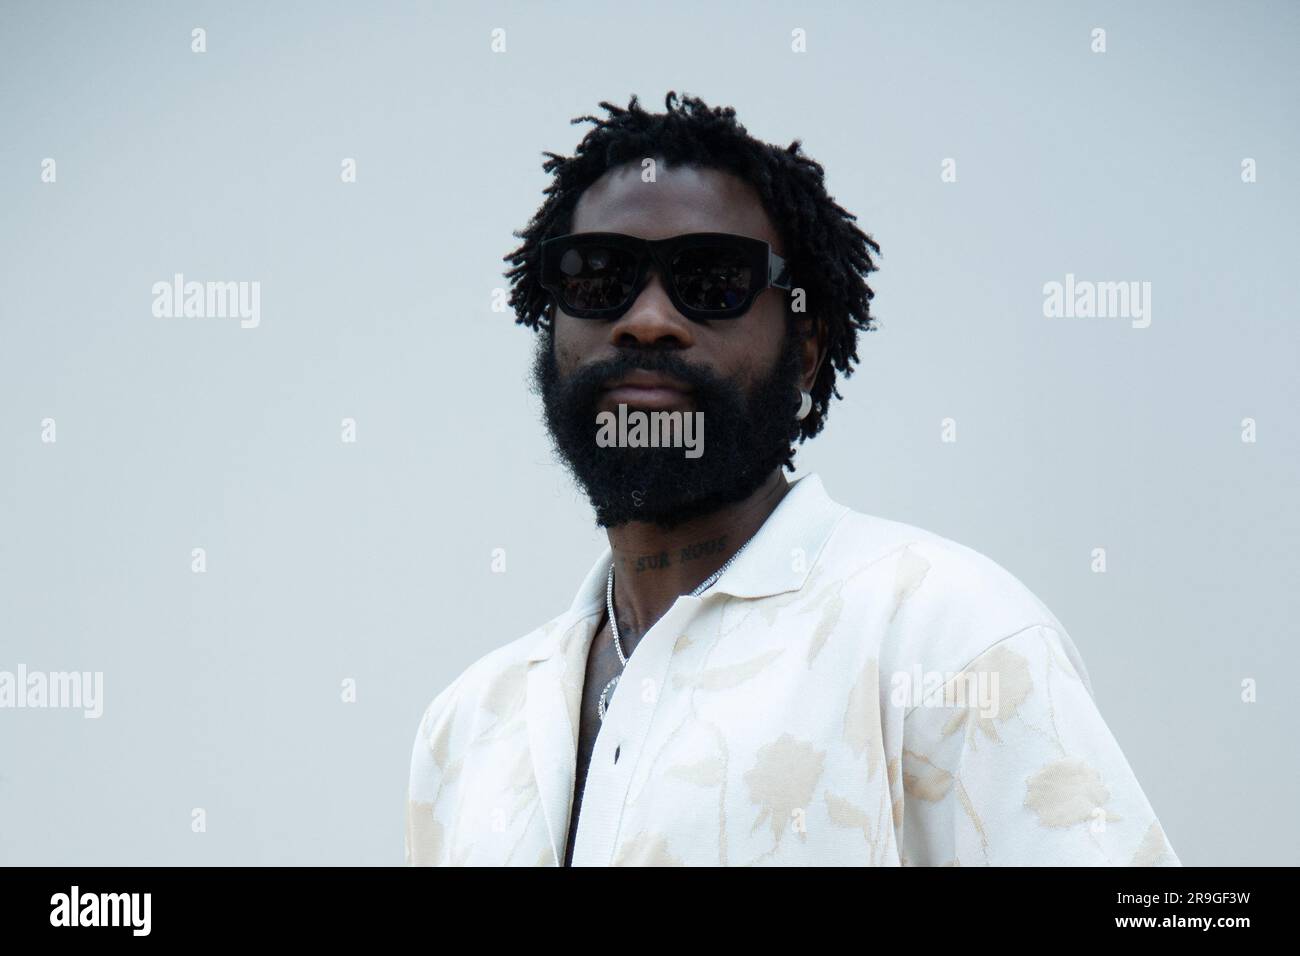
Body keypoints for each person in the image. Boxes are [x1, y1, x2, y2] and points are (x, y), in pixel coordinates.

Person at [405, 91, 1179, 867]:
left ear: (804, 352)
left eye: (711, 282)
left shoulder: (946, 636)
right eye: (598, 275)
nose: (646, 319)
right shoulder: (469, 724)